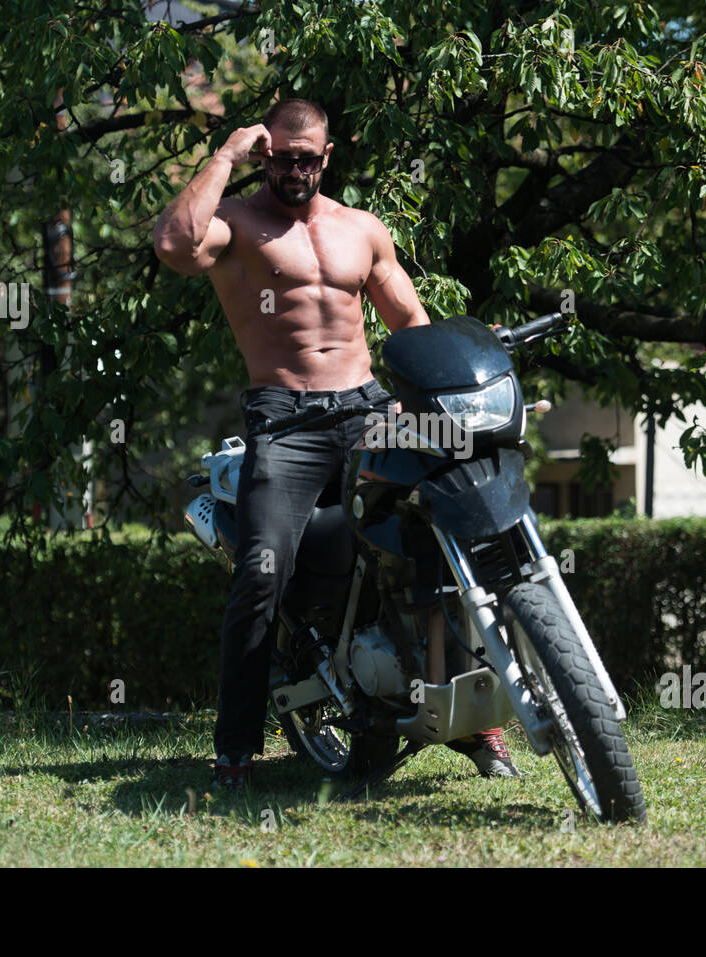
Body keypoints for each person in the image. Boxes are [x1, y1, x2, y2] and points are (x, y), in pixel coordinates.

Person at [153, 98, 518, 789]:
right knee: (261, 572)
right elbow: (173, 245)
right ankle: (235, 748)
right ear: (269, 156)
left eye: (307, 158)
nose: (295, 170)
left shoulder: (361, 230)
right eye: (282, 157)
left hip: (367, 409)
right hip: (283, 417)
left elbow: (409, 320)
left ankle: (474, 720)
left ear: (327, 156)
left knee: (440, 529)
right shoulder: (234, 224)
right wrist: (225, 156)